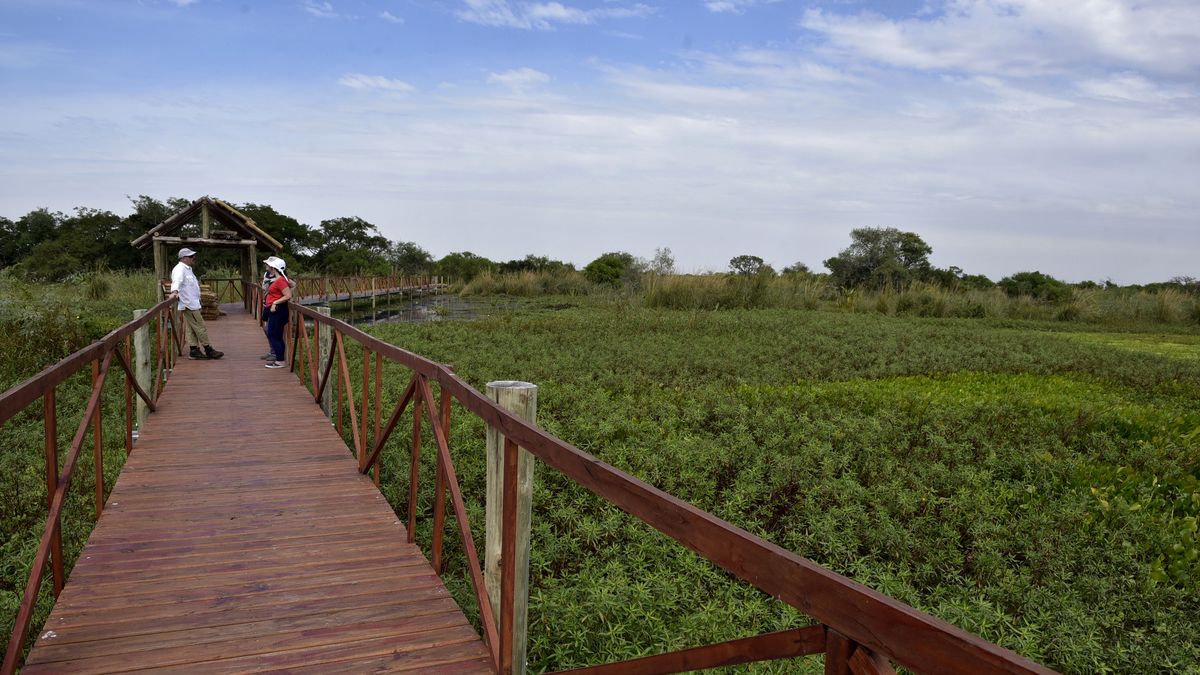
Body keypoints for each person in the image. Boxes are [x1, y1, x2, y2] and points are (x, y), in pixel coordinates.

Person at [168, 247, 224, 360]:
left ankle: (194, 350)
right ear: (183, 258)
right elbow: (177, 281)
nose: (194, 258)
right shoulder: (179, 269)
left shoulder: (187, 269)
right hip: (189, 304)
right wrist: (174, 292)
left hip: (192, 303)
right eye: (191, 256)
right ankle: (208, 350)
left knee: (191, 328)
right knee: (200, 326)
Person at [262, 256, 292, 369]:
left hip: (278, 311)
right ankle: (280, 359)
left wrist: (275, 303)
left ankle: (280, 361)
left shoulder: (280, 280)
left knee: (273, 335)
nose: (266, 265)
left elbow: (288, 295)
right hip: (275, 310)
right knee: (276, 336)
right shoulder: (278, 279)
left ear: (274, 267)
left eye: (269, 264)